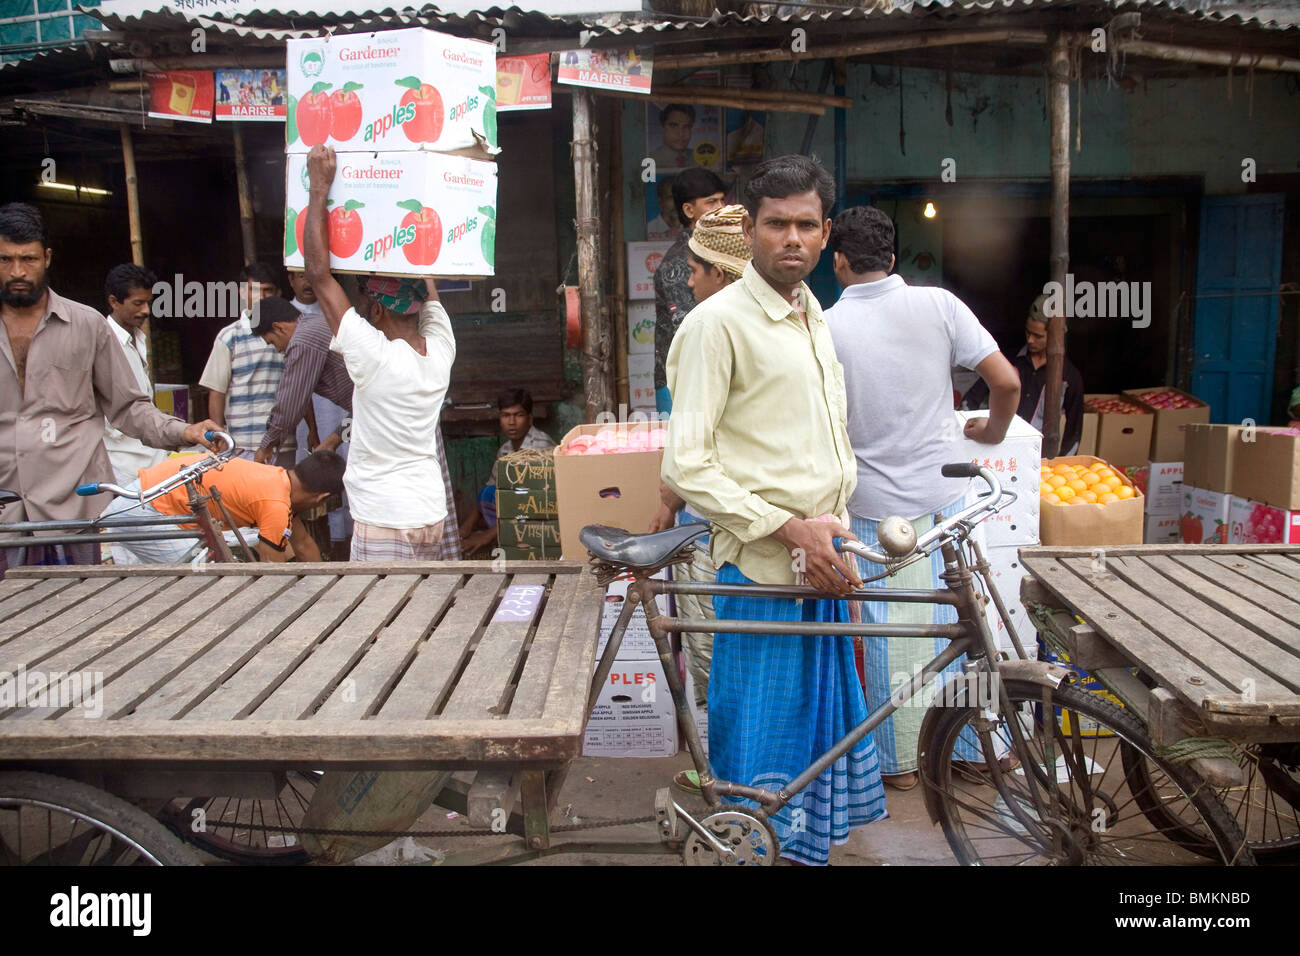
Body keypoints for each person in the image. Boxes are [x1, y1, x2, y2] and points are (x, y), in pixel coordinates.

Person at [662, 155, 886, 866]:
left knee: (815, 749)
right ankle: (745, 854)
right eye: (776, 224)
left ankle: (791, 856)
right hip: (763, 573)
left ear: (826, 236)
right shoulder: (715, 324)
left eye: (806, 224)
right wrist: (789, 525)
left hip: (821, 564)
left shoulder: (812, 313)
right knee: (760, 750)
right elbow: (686, 465)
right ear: (750, 233)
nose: (792, 237)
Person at [826, 204, 1021, 790]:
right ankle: (974, 750)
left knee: (894, 635)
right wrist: (990, 432)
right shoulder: (940, 305)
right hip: (948, 498)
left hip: (876, 509)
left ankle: (903, 763)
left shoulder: (825, 328)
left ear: (837, 261)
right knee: (966, 621)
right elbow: (1007, 382)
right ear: (891, 259)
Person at [0, 202, 220, 573]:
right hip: (5, 513)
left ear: (48, 258)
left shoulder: (86, 326)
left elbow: (129, 407)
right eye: (5, 260)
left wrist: (184, 430)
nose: (17, 271)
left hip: (71, 507)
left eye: (29, 259)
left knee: (79, 617)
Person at [304, 145, 457, 561]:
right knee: (422, 616)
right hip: (428, 513)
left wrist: (319, 187)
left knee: (381, 622)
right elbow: (429, 293)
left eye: (363, 302)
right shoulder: (441, 349)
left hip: (385, 515)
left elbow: (318, 276)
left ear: (375, 309)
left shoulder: (375, 356)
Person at [647, 203, 751, 795]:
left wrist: (665, 503)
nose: (688, 280)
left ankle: (719, 775)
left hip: (718, 518)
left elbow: (688, 444)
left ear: (720, 272)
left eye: (696, 269)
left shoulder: (705, 329)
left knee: (712, 649)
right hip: (761, 519)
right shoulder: (775, 319)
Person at [101, 450, 343, 564]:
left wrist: (326, 588)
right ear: (321, 498)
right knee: (205, 579)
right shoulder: (276, 504)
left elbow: (302, 543)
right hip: (142, 511)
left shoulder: (276, 479)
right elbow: (271, 572)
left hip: (142, 497)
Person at [963, 293, 1084, 454]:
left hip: (1036, 454)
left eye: (1038, 336)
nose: (1030, 340)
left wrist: (1060, 464)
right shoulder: (1009, 361)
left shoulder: (1069, 378)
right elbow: (972, 398)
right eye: (1028, 333)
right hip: (996, 447)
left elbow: (1074, 432)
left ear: (1057, 336)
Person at [199, 262, 293, 465]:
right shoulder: (229, 336)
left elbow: (299, 385)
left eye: (268, 291)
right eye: (254, 291)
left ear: (278, 293)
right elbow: (217, 390)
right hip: (243, 443)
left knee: (284, 496)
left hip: (283, 442)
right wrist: (219, 436)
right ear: (242, 292)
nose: (261, 297)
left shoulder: (292, 333)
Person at [653, 167, 726, 414]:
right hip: (681, 382)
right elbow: (690, 328)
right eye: (711, 202)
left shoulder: (719, 253)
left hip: (714, 376)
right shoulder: (678, 263)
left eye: (722, 200)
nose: (721, 207)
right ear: (689, 210)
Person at [459, 388, 555, 556]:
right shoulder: (505, 450)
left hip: (541, 512)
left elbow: (532, 503)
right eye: (505, 415)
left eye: (518, 415)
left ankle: (506, 538)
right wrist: (466, 528)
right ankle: (504, 535)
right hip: (517, 509)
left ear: (530, 419)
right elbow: (492, 488)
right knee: (487, 493)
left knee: (519, 500)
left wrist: (485, 537)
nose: (511, 422)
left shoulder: (540, 446)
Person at [102, 263, 169, 485]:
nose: (146, 311)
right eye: (138, 303)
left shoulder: (138, 339)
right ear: (114, 302)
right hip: (123, 465)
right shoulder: (102, 342)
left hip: (152, 460)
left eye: (148, 302)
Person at [650, 104, 696, 171]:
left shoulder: (700, 158)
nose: (681, 134)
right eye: (673, 126)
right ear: (663, 128)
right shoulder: (652, 159)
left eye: (686, 127)